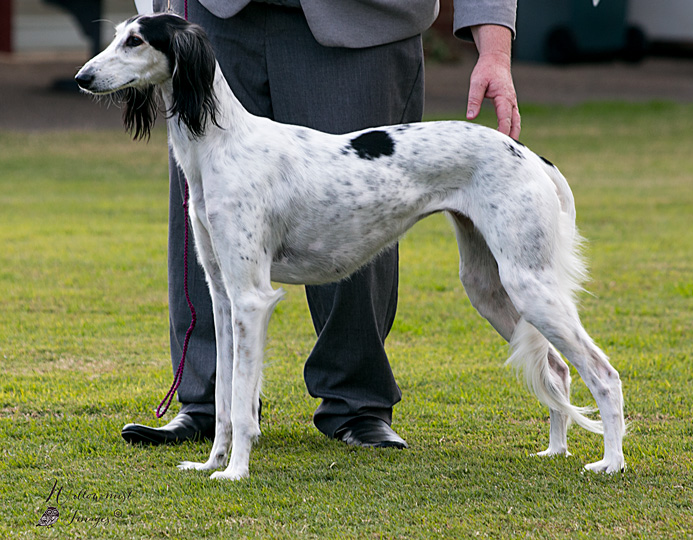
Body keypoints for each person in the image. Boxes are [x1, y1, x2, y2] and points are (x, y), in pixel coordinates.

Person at [121, 0, 520, 448]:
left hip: (363, 23)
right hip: (218, 16)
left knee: (357, 204)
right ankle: (209, 404)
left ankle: (356, 402)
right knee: (213, 224)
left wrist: (494, 50)